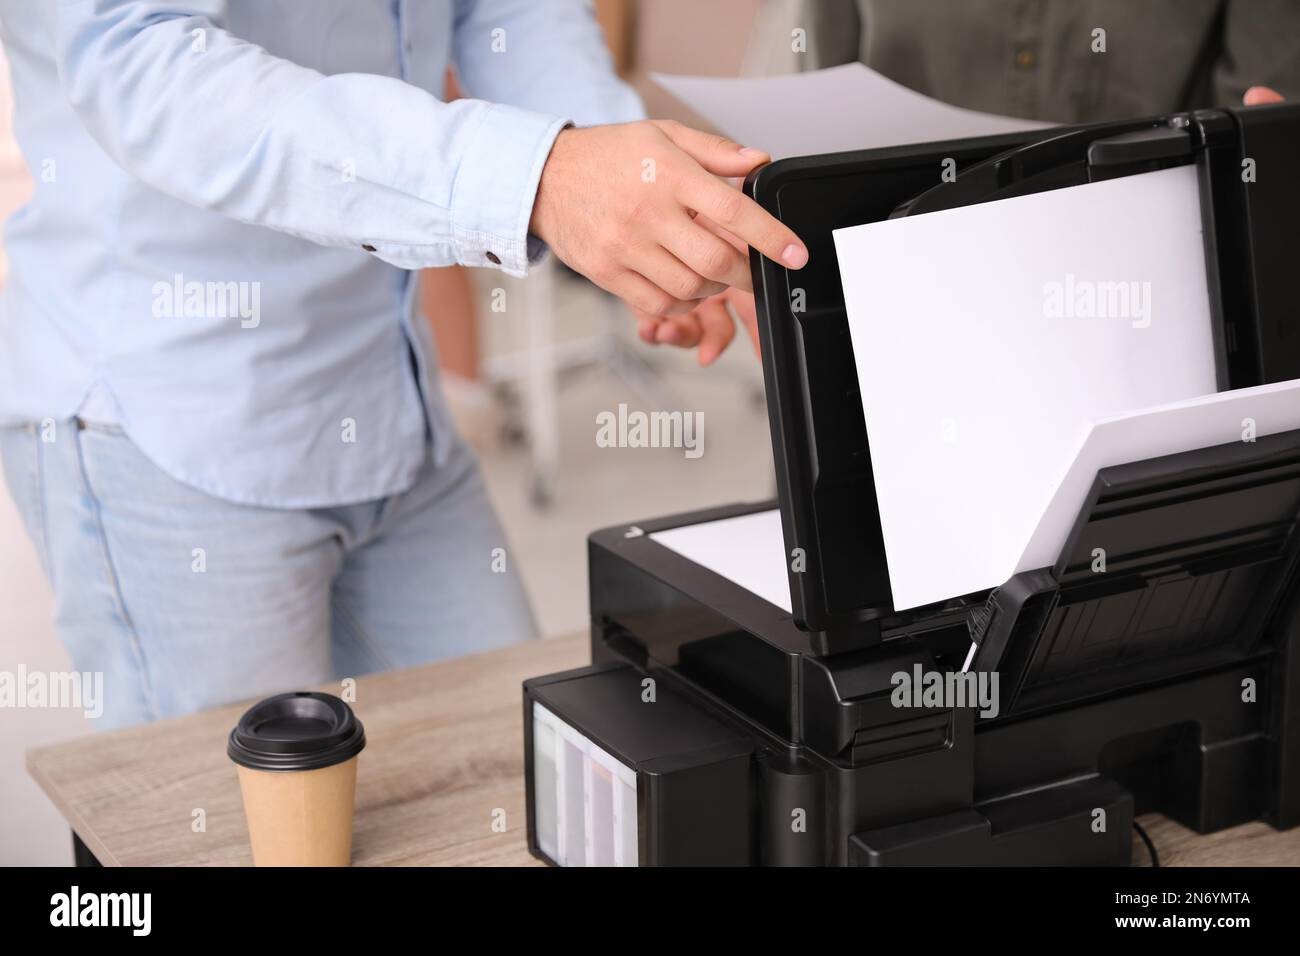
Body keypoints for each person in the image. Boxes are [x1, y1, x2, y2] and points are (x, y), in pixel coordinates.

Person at [0, 1, 808, 729]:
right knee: (247, 838)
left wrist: (635, 200)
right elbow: (139, 63)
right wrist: (535, 177)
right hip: (171, 416)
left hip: (390, 392)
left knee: (508, 778)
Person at [641, 0, 1297, 358]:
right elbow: (820, 118)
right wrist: (742, 249)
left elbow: (1254, 141)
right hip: (890, 326)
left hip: (1140, 328)